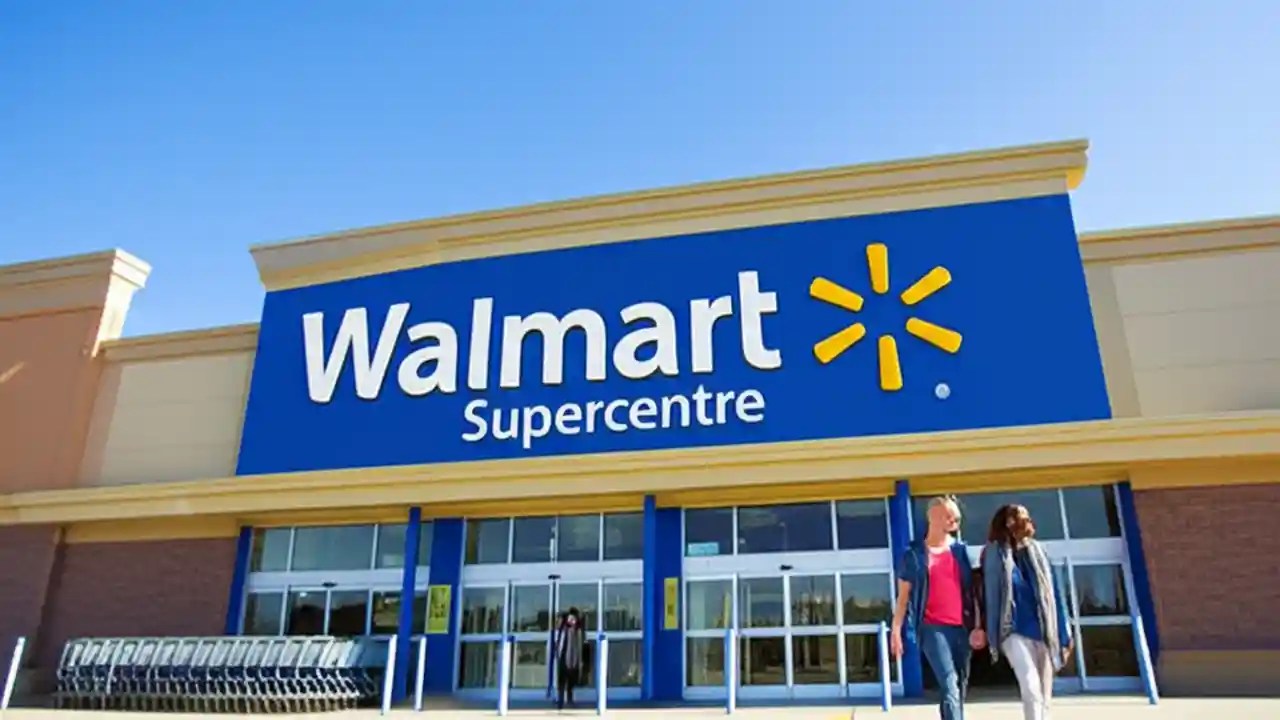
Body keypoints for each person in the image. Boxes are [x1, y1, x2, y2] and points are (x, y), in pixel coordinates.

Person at [891, 496, 983, 720]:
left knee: (957, 687)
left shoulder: (961, 552)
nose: (955, 522)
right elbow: (903, 598)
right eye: (950, 516)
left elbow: (974, 593)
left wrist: (979, 626)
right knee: (949, 683)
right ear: (933, 517)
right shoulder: (914, 555)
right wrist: (896, 632)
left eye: (957, 518)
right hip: (932, 628)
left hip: (962, 627)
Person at [980, 504, 1074, 720]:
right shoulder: (994, 553)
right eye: (1021, 517)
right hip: (1012, 629)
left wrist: (1064, 634)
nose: (1027, 522)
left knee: (1044, 693)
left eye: (1028, 517)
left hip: (1043, 630)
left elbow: (1055, 595)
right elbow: (989, 593)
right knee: (1030, 686)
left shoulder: (1040, 553)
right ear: (1008, 523)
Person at [553, 607, 585, 709]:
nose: (572, 621)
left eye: (573, 619)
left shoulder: (578, 630)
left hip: (574, 659)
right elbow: (559, 642)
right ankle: (560, 701)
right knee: (562, 680)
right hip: (564, 657)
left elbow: (581, 644)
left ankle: (569, 700)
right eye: (570, 619)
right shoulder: (563, 629)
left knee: (571, 681)